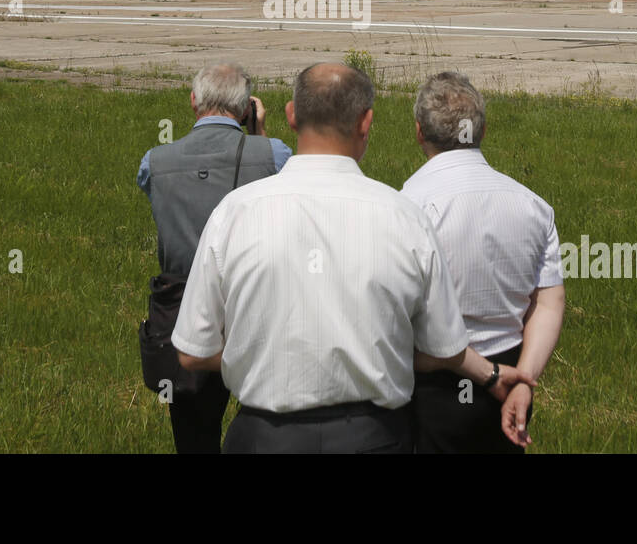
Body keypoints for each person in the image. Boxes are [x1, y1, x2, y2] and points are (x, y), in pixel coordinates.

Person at [172, 62, 532, 453]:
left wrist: (259, 352)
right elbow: (439, 349)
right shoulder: (405, 217)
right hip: (373, 437)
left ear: (291, 116)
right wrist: (491, 373)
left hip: (264, 437)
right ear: (367, 122)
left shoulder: (233, 213)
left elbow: (193, 352)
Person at [402, 72, 565, 453]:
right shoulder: (533, 205)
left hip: (433, 384)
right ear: (482, 131)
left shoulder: (407, 206)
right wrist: (524, 379)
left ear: (419, 132)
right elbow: (548, 302)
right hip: (512, 376)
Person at [136, 62, 291, 453]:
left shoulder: (154, 161)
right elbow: (284, 188)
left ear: (193, 102)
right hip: (256, 306)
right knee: (266, 423)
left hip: (184, 309)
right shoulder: (273, 154)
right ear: (245, 110)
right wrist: (258, 134)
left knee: (192, 434)